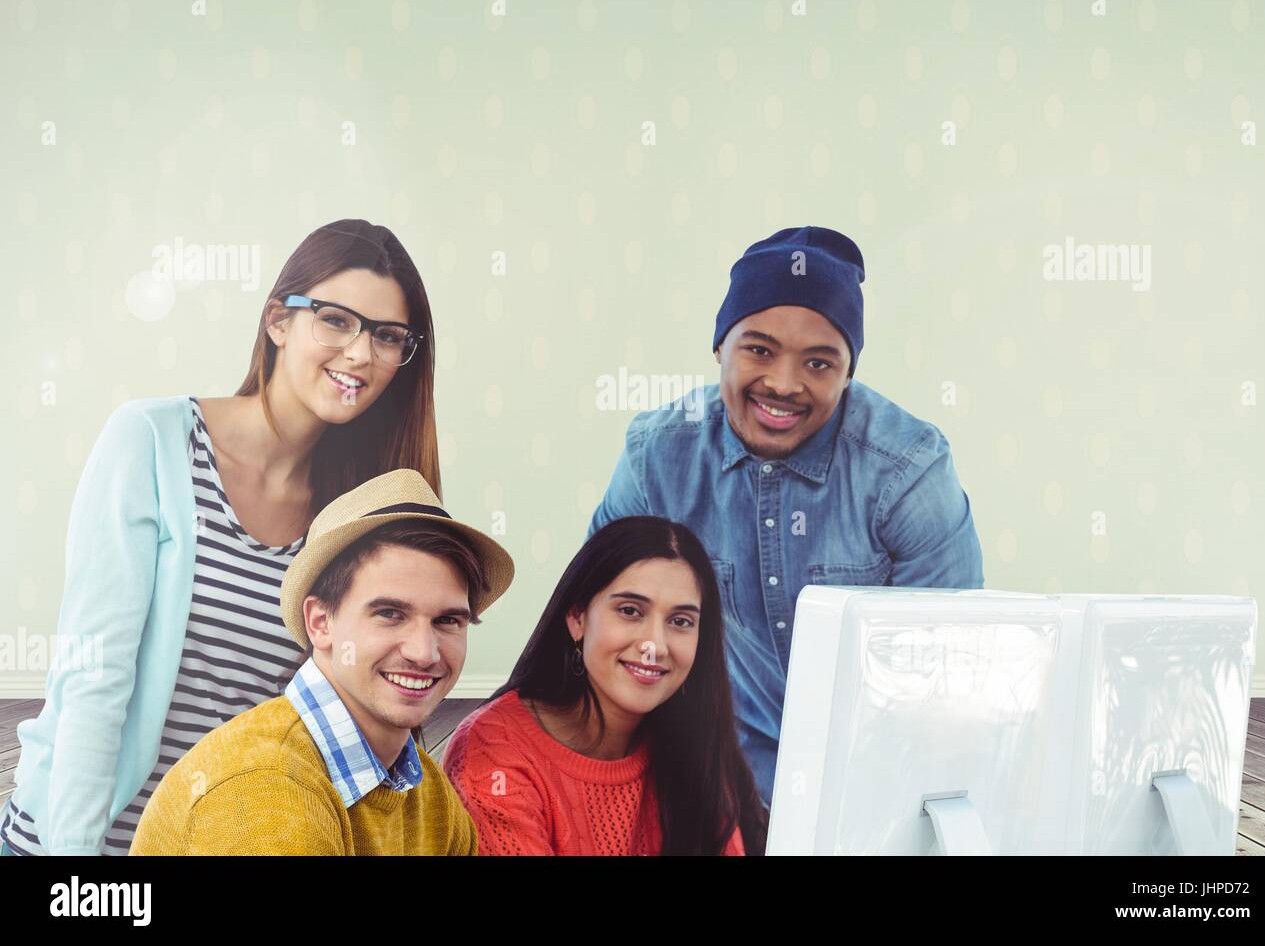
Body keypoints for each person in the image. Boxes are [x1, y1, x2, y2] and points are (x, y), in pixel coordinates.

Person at [2, 219, 446, 856]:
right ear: (278, 321)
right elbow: (93, 681)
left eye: (386, 335)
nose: (360, 354)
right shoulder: (154, 443)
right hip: (77, 844)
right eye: (337, 320)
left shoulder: (359, 509)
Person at [587, 226, 985, 808]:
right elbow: (600, 623)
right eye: (759, 348)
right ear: (720, 344)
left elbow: (955, 662)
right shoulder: (658, 454)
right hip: (705, 791)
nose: (783, 383)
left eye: (819, 362)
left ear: (849, 372)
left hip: (868, 794)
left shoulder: (909, 470)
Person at [131, 468, 514, 854]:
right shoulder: (263, 789)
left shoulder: (428, 792)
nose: (424, 652)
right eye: (390, 614)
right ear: (320, 622)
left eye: (447, 621)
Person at [443, 516, 766, 855]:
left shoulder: (698, 748)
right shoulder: (495, 751)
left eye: (681, 621)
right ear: (577, 617)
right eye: (630, 611)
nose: (654, 644)